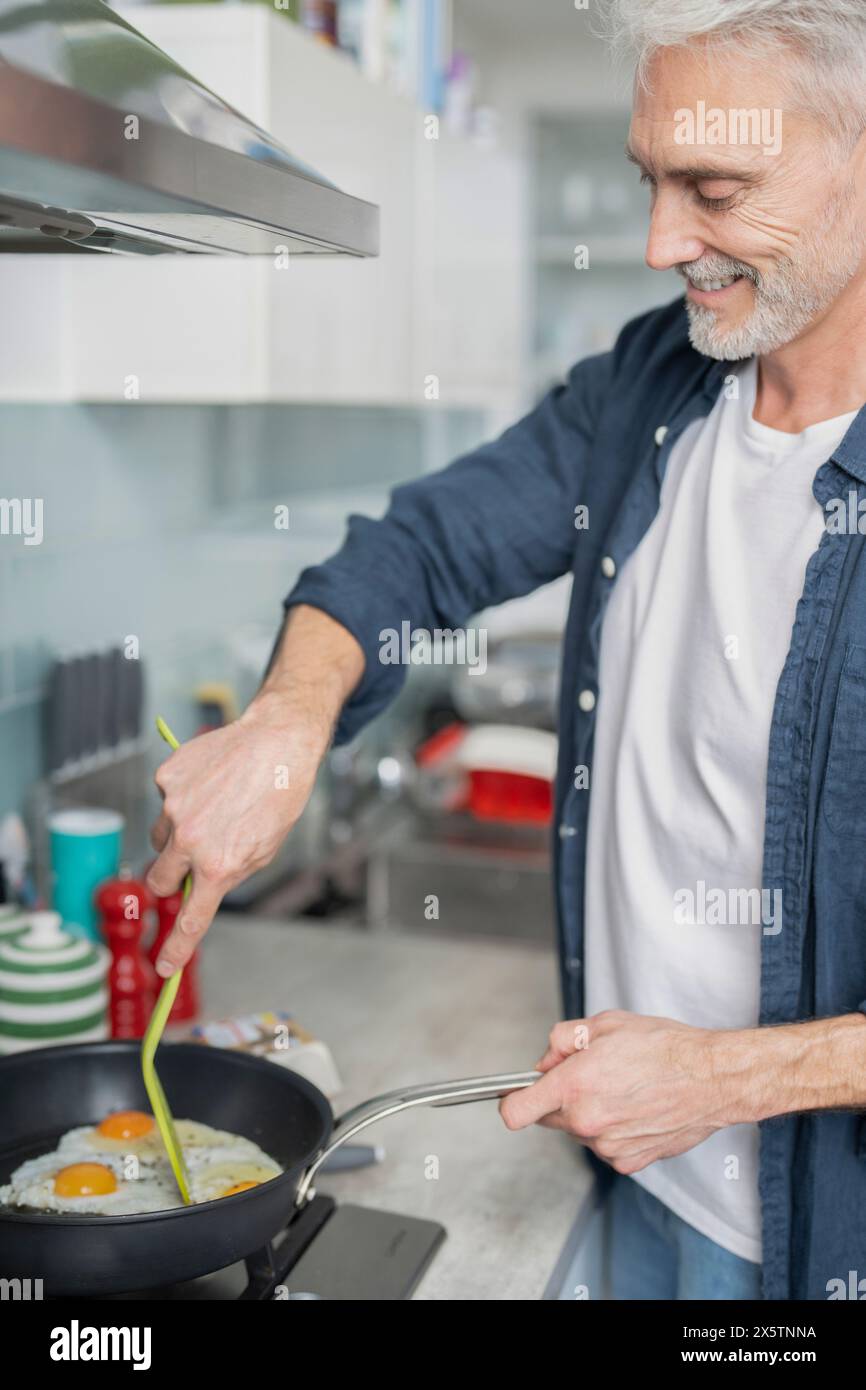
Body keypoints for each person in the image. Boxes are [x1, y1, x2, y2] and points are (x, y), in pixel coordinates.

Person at [147, 0, 866, 1300]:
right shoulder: (657, 383)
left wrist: (725, 1074)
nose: (658, 243)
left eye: (712, 187)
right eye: (651, 180)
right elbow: (418, 547)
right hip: (629, 1174)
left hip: (820, 1240)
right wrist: (288, 719)